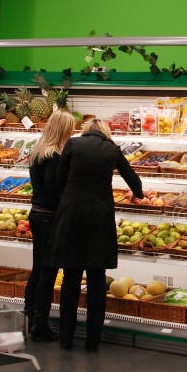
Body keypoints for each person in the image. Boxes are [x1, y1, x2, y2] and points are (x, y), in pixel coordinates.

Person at [49, 118, 144, 351]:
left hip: (72, 216)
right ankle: (93, 341)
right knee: (97, 278)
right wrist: (138, 194)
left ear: (86, 131)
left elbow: (58, 181)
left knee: (71, 277)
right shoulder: (112, 149)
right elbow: (133, 180)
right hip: (99, 218)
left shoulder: (72, 144)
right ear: (105, 132)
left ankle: (66, 339)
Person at [23, 111, 76, 341]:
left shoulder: (38, 151)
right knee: (48, 270)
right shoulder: (54, 155)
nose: (73, 132)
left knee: (38, 268)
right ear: (63, 130)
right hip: (48, 217)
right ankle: (40, 325)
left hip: (37, 214)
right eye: (71, 128)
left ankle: (28, 316)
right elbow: (53, 188)